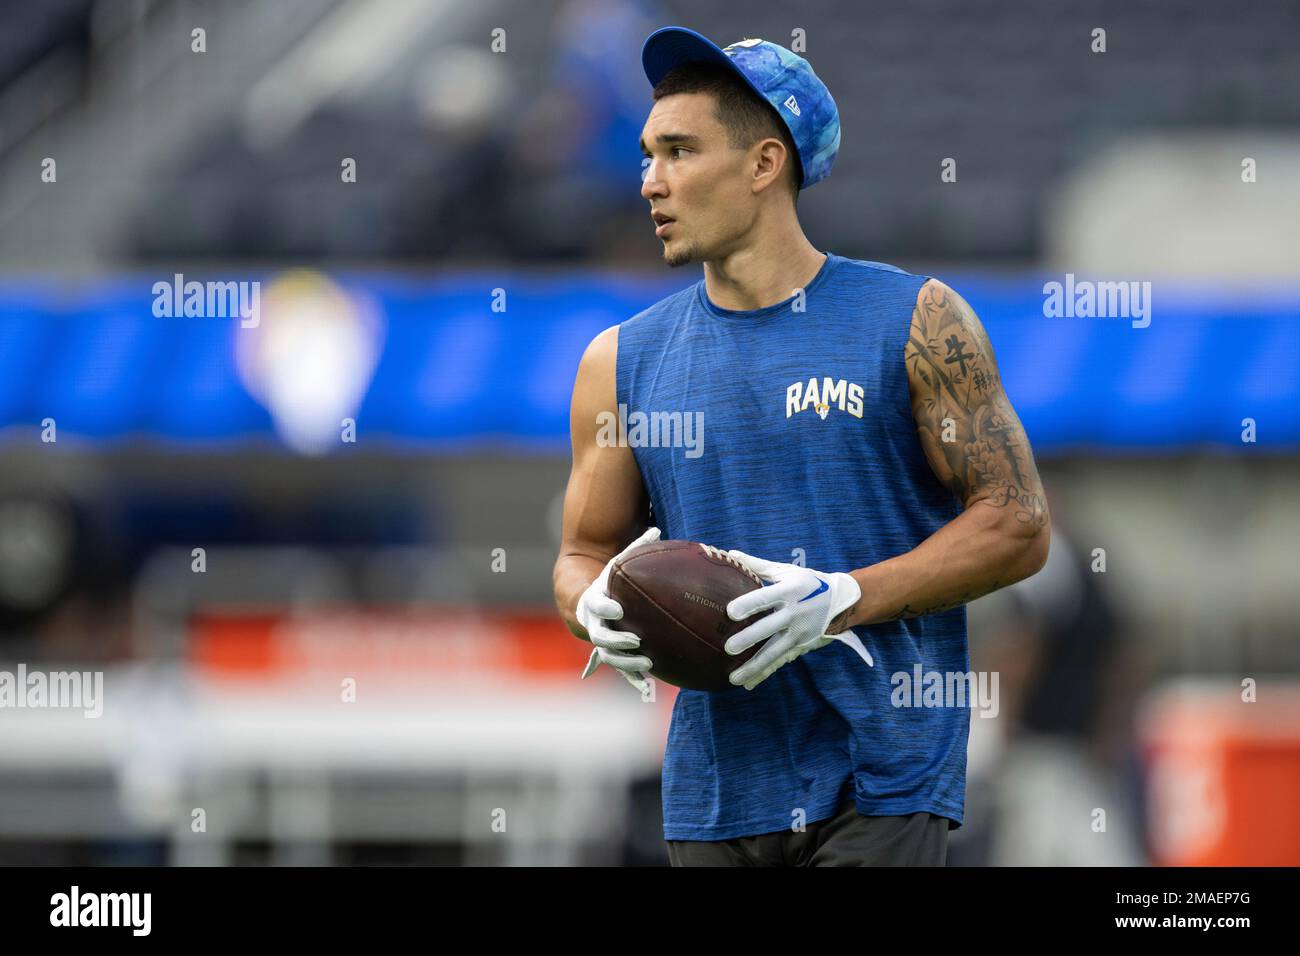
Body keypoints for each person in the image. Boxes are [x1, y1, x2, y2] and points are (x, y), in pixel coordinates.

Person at [552, 27, 1050, 866]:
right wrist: (591, 606)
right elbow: (580, 554)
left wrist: (841, 596)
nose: (650, 182)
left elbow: (1018, 523)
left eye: (678, 151)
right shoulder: (618, 360)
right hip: (715, 793)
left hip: (882, 778)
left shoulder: (916, 320)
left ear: (763, 164)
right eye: (646, 155)